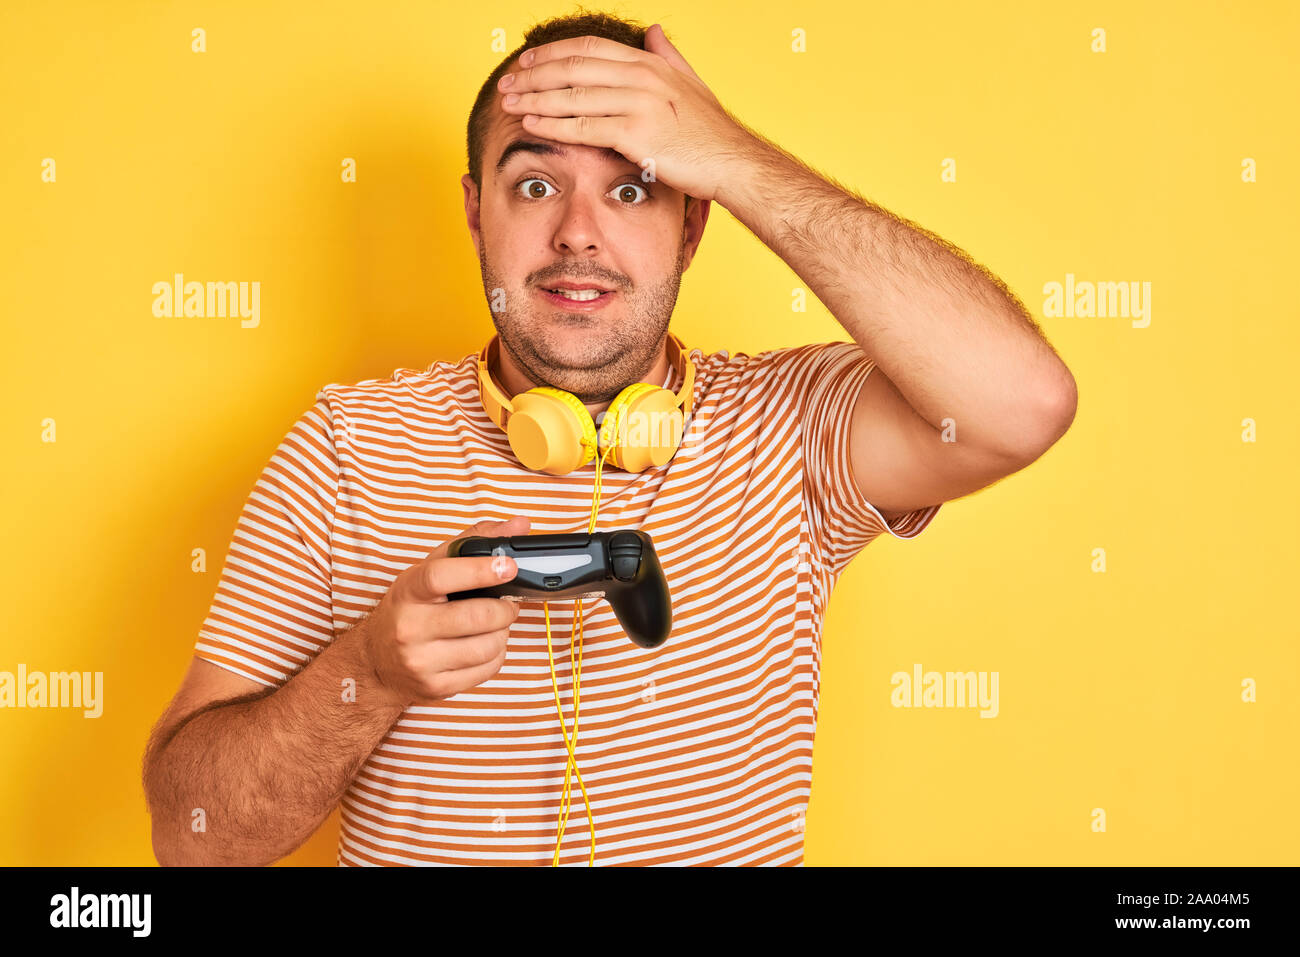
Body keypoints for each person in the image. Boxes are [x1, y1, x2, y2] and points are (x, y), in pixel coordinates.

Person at [143, 11, 1077, 867]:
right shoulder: (347, 446)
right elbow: (195, 841)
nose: (578, 235)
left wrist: (734, 155)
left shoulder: (792, 427)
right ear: (476, 211)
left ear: (693, 221)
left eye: (633, 188)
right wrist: (368, 670)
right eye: (536, 183)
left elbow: (1025, 402)